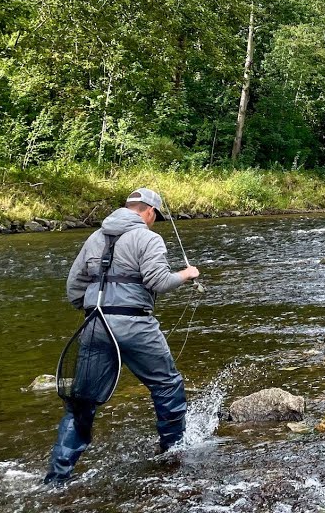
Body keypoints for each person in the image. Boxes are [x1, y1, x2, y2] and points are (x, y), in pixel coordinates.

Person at [44, 188, 200, 485]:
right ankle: (173, 456)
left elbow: (74, 287)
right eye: (156, 217)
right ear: (149, 211)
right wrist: (186, 274)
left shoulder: (94, 237)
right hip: (135, 325)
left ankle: (57, 479)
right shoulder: (148, 238)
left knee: (81, 403)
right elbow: (159, 282)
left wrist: (93, 310)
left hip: (94, 325)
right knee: (167, 386)